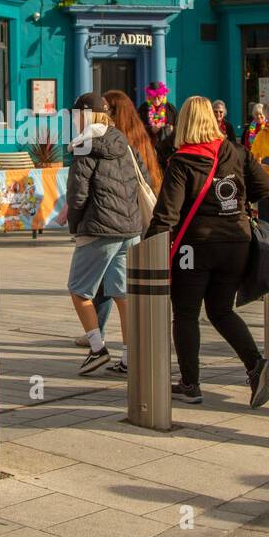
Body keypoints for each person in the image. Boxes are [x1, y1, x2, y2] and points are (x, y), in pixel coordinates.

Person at [146, 96, 269, 406]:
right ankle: (256, 365)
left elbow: (167, 214)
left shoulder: (182, 161)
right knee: (220, 310)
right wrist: (240, 203)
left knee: (186, 313)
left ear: (184, 123)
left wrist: (148, 248)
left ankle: (190, 383)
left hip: (196, 246)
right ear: (214, 120)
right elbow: (266, 186)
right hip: (236, 242)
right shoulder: (237, 151)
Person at [65, 92, 143, 376]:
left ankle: (97, 349)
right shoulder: (122, 141)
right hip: (130, 228)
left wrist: (75, 225)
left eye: (75, 116)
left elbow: (77, 194)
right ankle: (132, 355)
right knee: (122, 294)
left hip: (99, 227)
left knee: (78, 290)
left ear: (84, 116)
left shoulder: (84, 146)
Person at [84, 89, 164, 354]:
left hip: (116, 220)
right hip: (136, 218)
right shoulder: (139, 139)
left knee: (104, 285)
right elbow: (150, 180)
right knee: (116, 284)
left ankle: (99, 335)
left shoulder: (112, 142)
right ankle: (127, 342)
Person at [138, 81, 178, 168]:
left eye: (158, 97)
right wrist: (150, 129)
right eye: (153, 97)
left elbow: (178, 128)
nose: (156, 99)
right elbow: (137, 128)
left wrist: (170, 129)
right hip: (148, 150)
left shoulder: (171, 109)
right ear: (149, 96)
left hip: (168, 151)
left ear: (163, 95)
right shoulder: (143, 108)